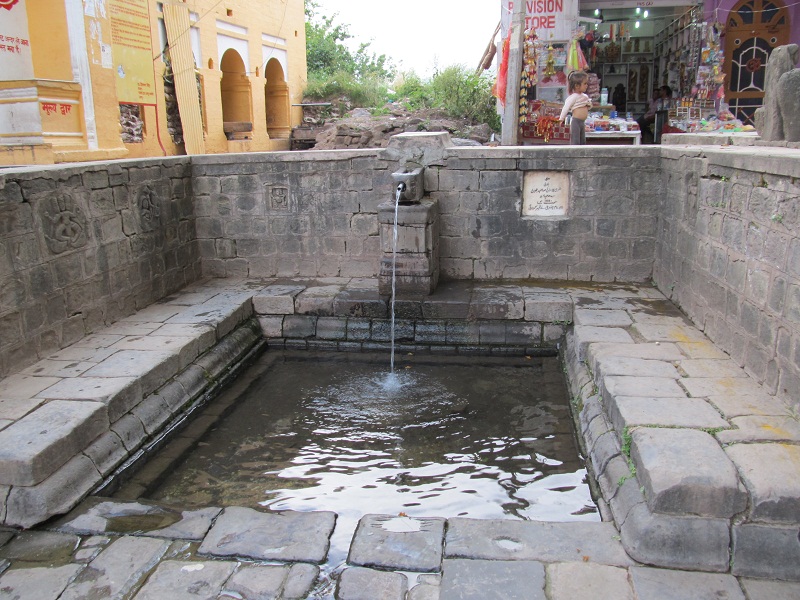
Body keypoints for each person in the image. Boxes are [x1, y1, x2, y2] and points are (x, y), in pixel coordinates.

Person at [559, 71, 592, 145]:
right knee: (575, 140)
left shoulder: (585, 96)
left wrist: (589, 105)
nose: (586, 86)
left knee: (582, 140)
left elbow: (588, 106)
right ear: (577, 86)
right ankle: (574, 154)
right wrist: (561, 119)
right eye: (585, 84)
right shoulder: (573, 97)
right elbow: (566, 108)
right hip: (576, 122)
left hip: (582, 122)